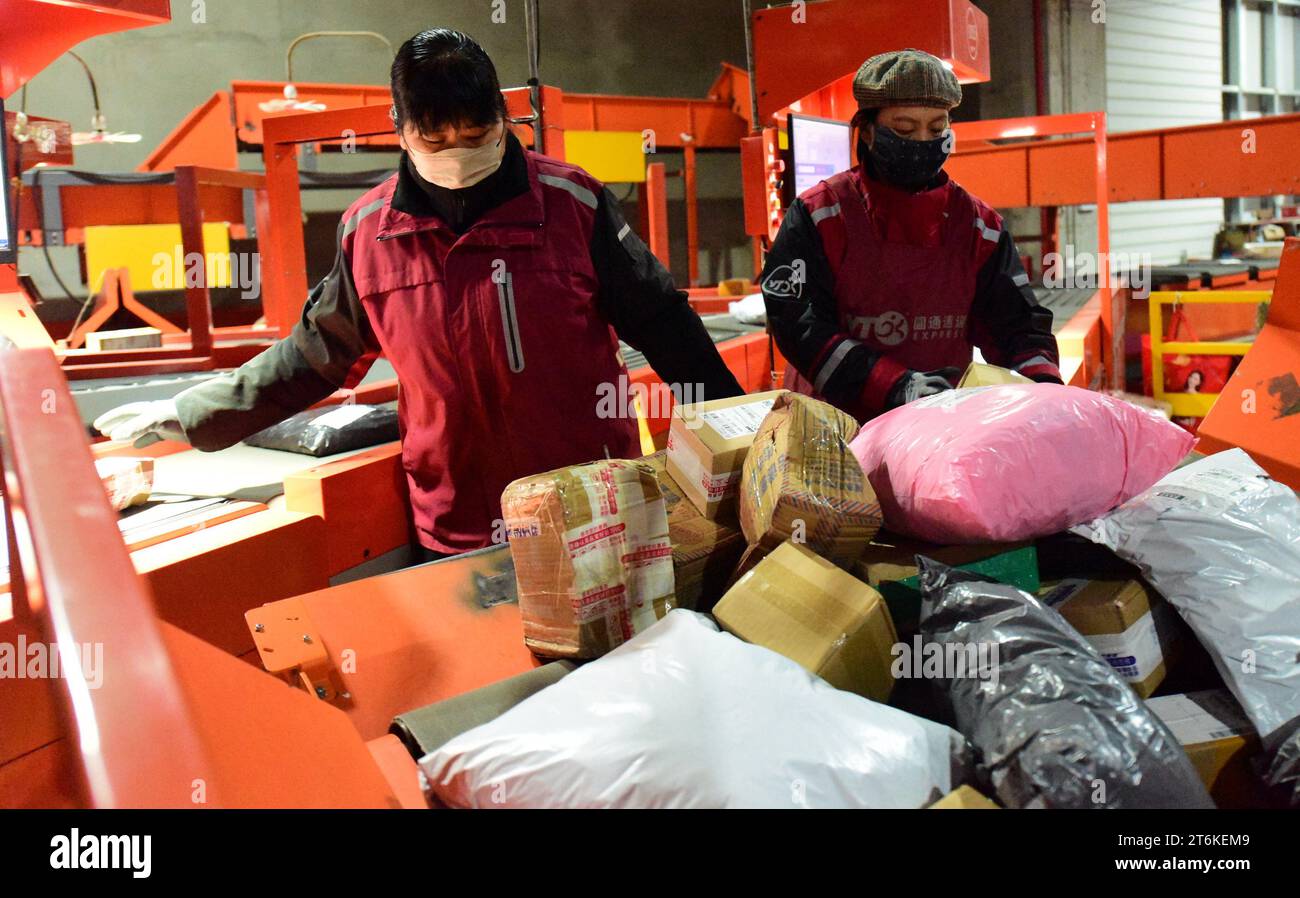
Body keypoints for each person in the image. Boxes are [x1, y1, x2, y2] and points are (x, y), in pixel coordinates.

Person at [95, 28, 743, 557]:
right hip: (458, 533)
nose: (457, 152)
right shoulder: (371, 233)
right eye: (435, 139)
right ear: (401, 131)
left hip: (592, 512)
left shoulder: (572, 205)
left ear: (502, 121)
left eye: (475, 135)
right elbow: (311, 358)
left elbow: (665, 325)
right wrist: (193, 412)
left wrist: (745, 430)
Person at [760, 49, 1063, 420]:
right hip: (832, 432)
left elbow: (1017, 324)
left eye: (936, 130)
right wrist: (893, 385)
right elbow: (799, 326)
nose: (922, 142)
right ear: (868, 132)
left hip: (934, 429)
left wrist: (1045, 388)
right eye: (904, 130)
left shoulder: (979, 227)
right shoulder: (821, 214)